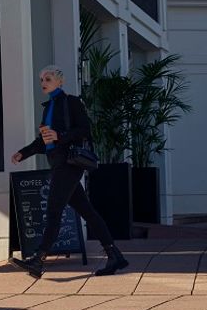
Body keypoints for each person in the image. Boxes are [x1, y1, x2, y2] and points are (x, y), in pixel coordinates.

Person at [10, 65, 128, 278]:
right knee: (87, 211)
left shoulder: (71, 102)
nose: (43, 83)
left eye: (48, 78)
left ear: (60, 81)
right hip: (58, 164)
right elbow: (44, 140)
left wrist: (60, 136)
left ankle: (38, 260)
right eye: (41, 79)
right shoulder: (48, 107)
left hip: (69, 165)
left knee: (54, 211)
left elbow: (84, 129)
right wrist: (23, 153)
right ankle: (114, 255)